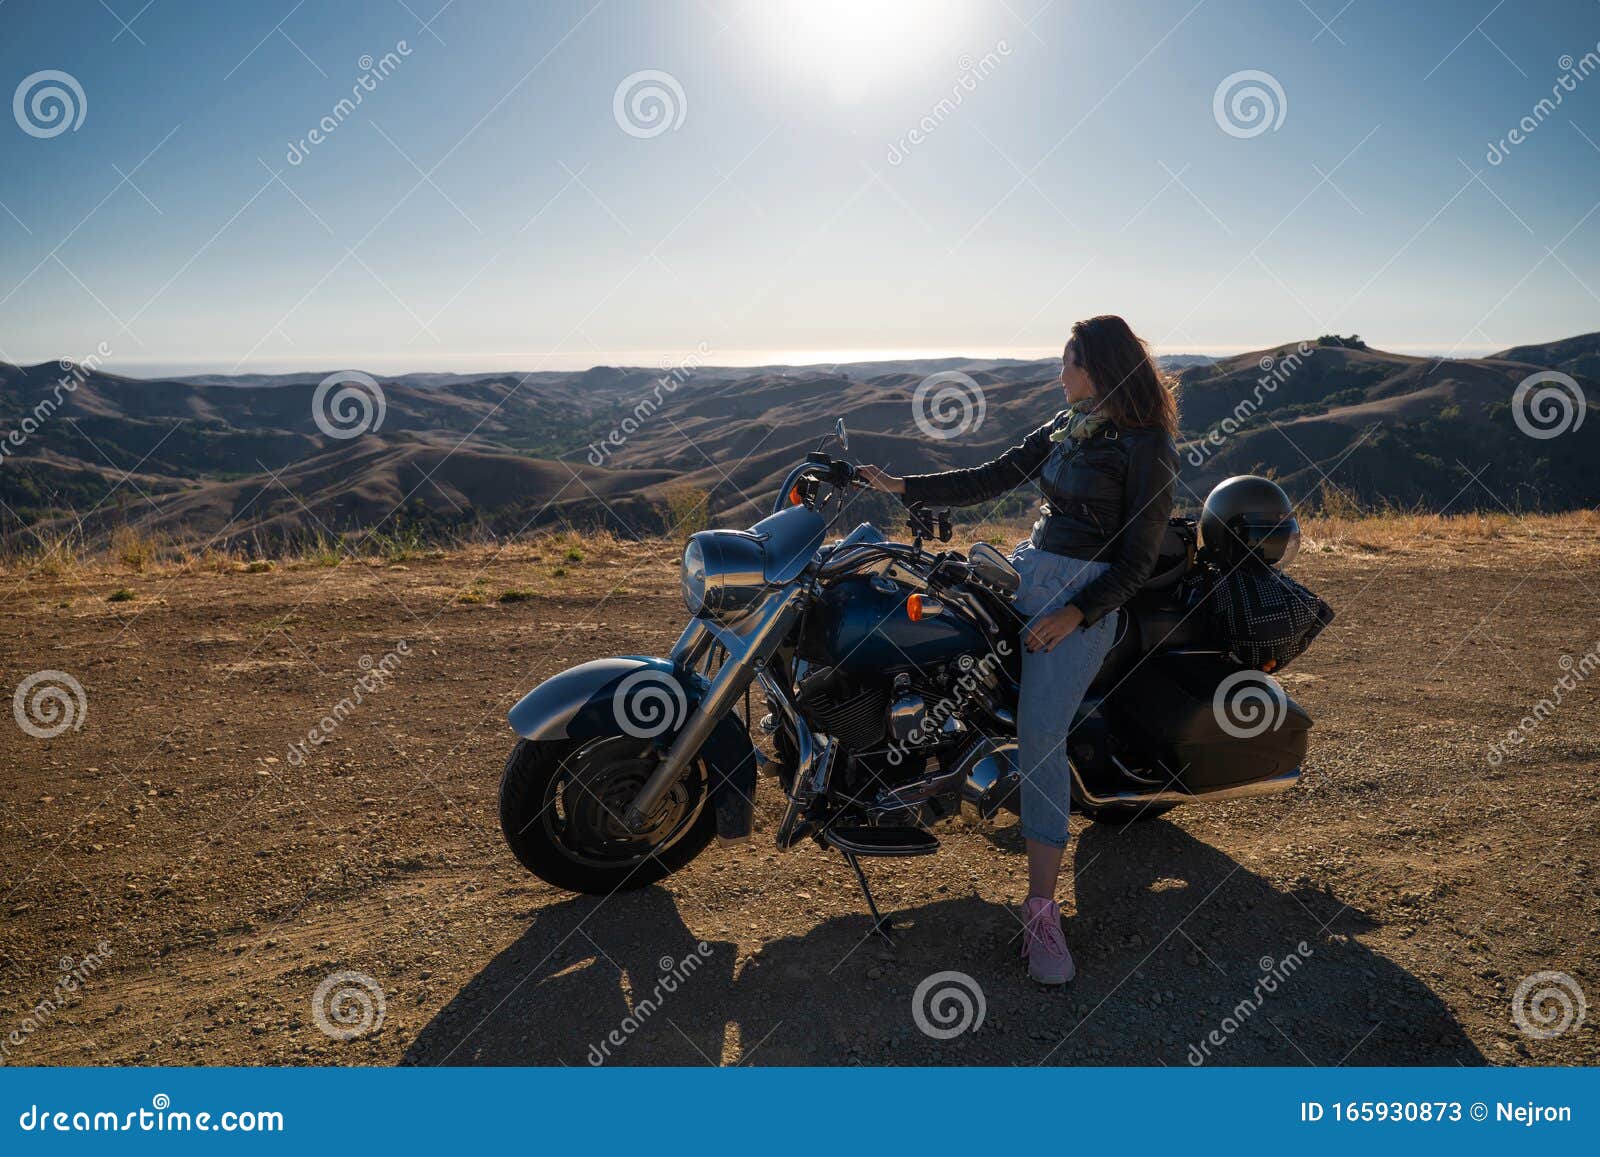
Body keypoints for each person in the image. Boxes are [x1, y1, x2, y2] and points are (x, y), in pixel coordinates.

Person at [858, 315, 1179, 984]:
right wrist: (901, 487)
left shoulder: (1146, 444)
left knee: (1040, 738)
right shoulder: (1069, 426)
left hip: (1083, 597)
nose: (1059, 375)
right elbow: (992, 475)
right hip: (1029, 568)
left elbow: (1139, 560)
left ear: (1100, 368)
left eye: (1069, 362)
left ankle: (1041, 911)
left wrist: (1075, 612)